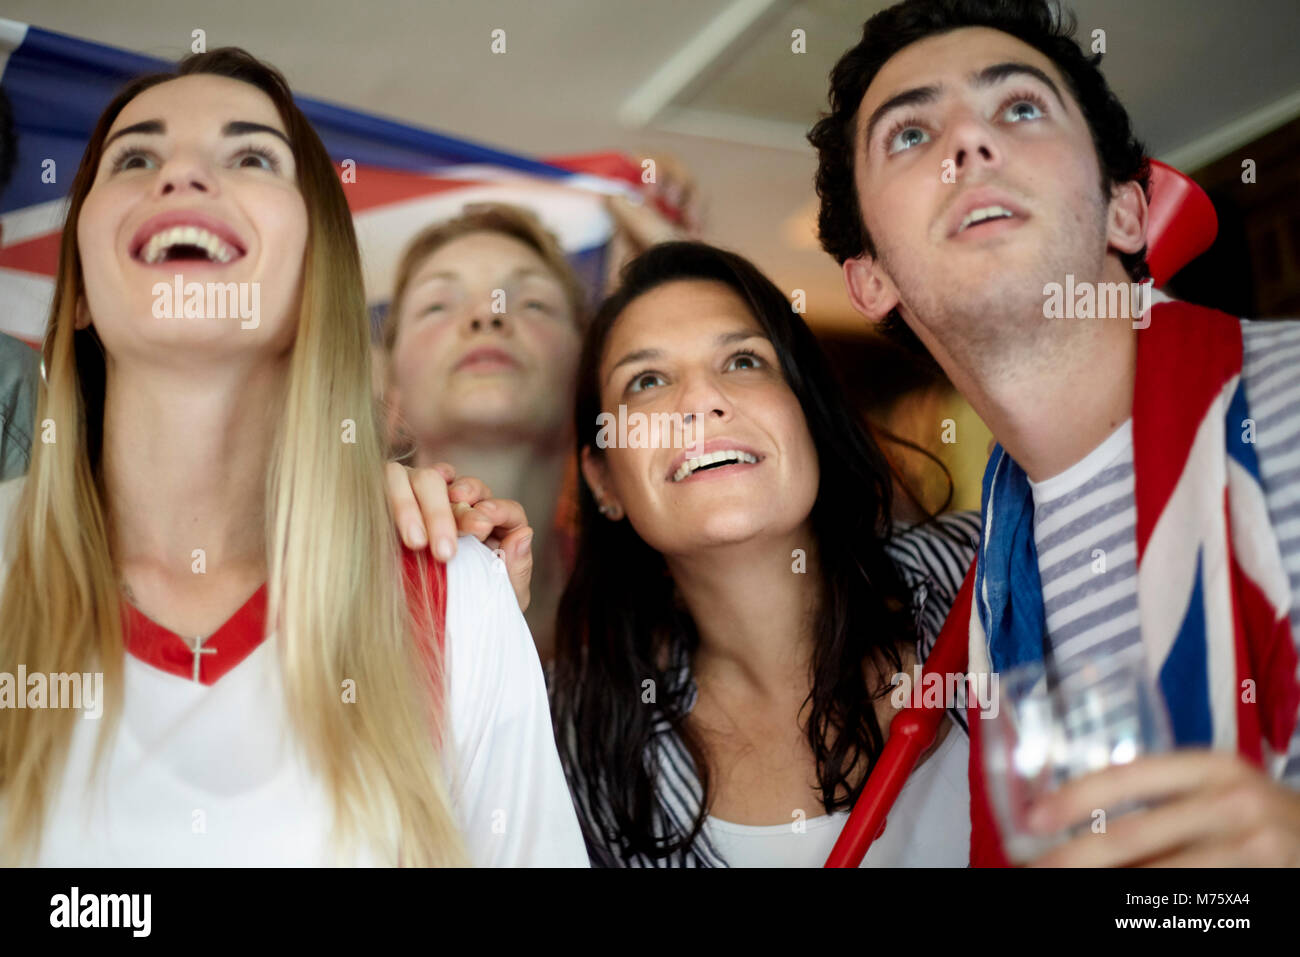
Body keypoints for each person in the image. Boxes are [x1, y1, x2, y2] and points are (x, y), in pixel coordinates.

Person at [0, 48, 586, 867]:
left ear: (316, 278)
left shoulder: (457, 597)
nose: (183, 176)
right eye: (135, 157)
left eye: (249, 156)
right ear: (83, 293)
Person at [809, 0, 1300, 865]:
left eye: (1020, 109)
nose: (969, 144)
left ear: (1125, 211)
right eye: (910, 136)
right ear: (872, 279)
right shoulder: (989, 587)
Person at [549, 241, 979, 866]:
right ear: (604, 481)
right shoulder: (578, 745)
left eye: (744, 360)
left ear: (809, 416)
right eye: (646, 380)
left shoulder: (987, 565)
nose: (700, 402)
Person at [380, 203, 590, 659]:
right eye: (436, 306)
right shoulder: (317, 570)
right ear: (392, 389)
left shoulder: (648, 601)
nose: (487, 317)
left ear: (585, 372)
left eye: (534, 303)